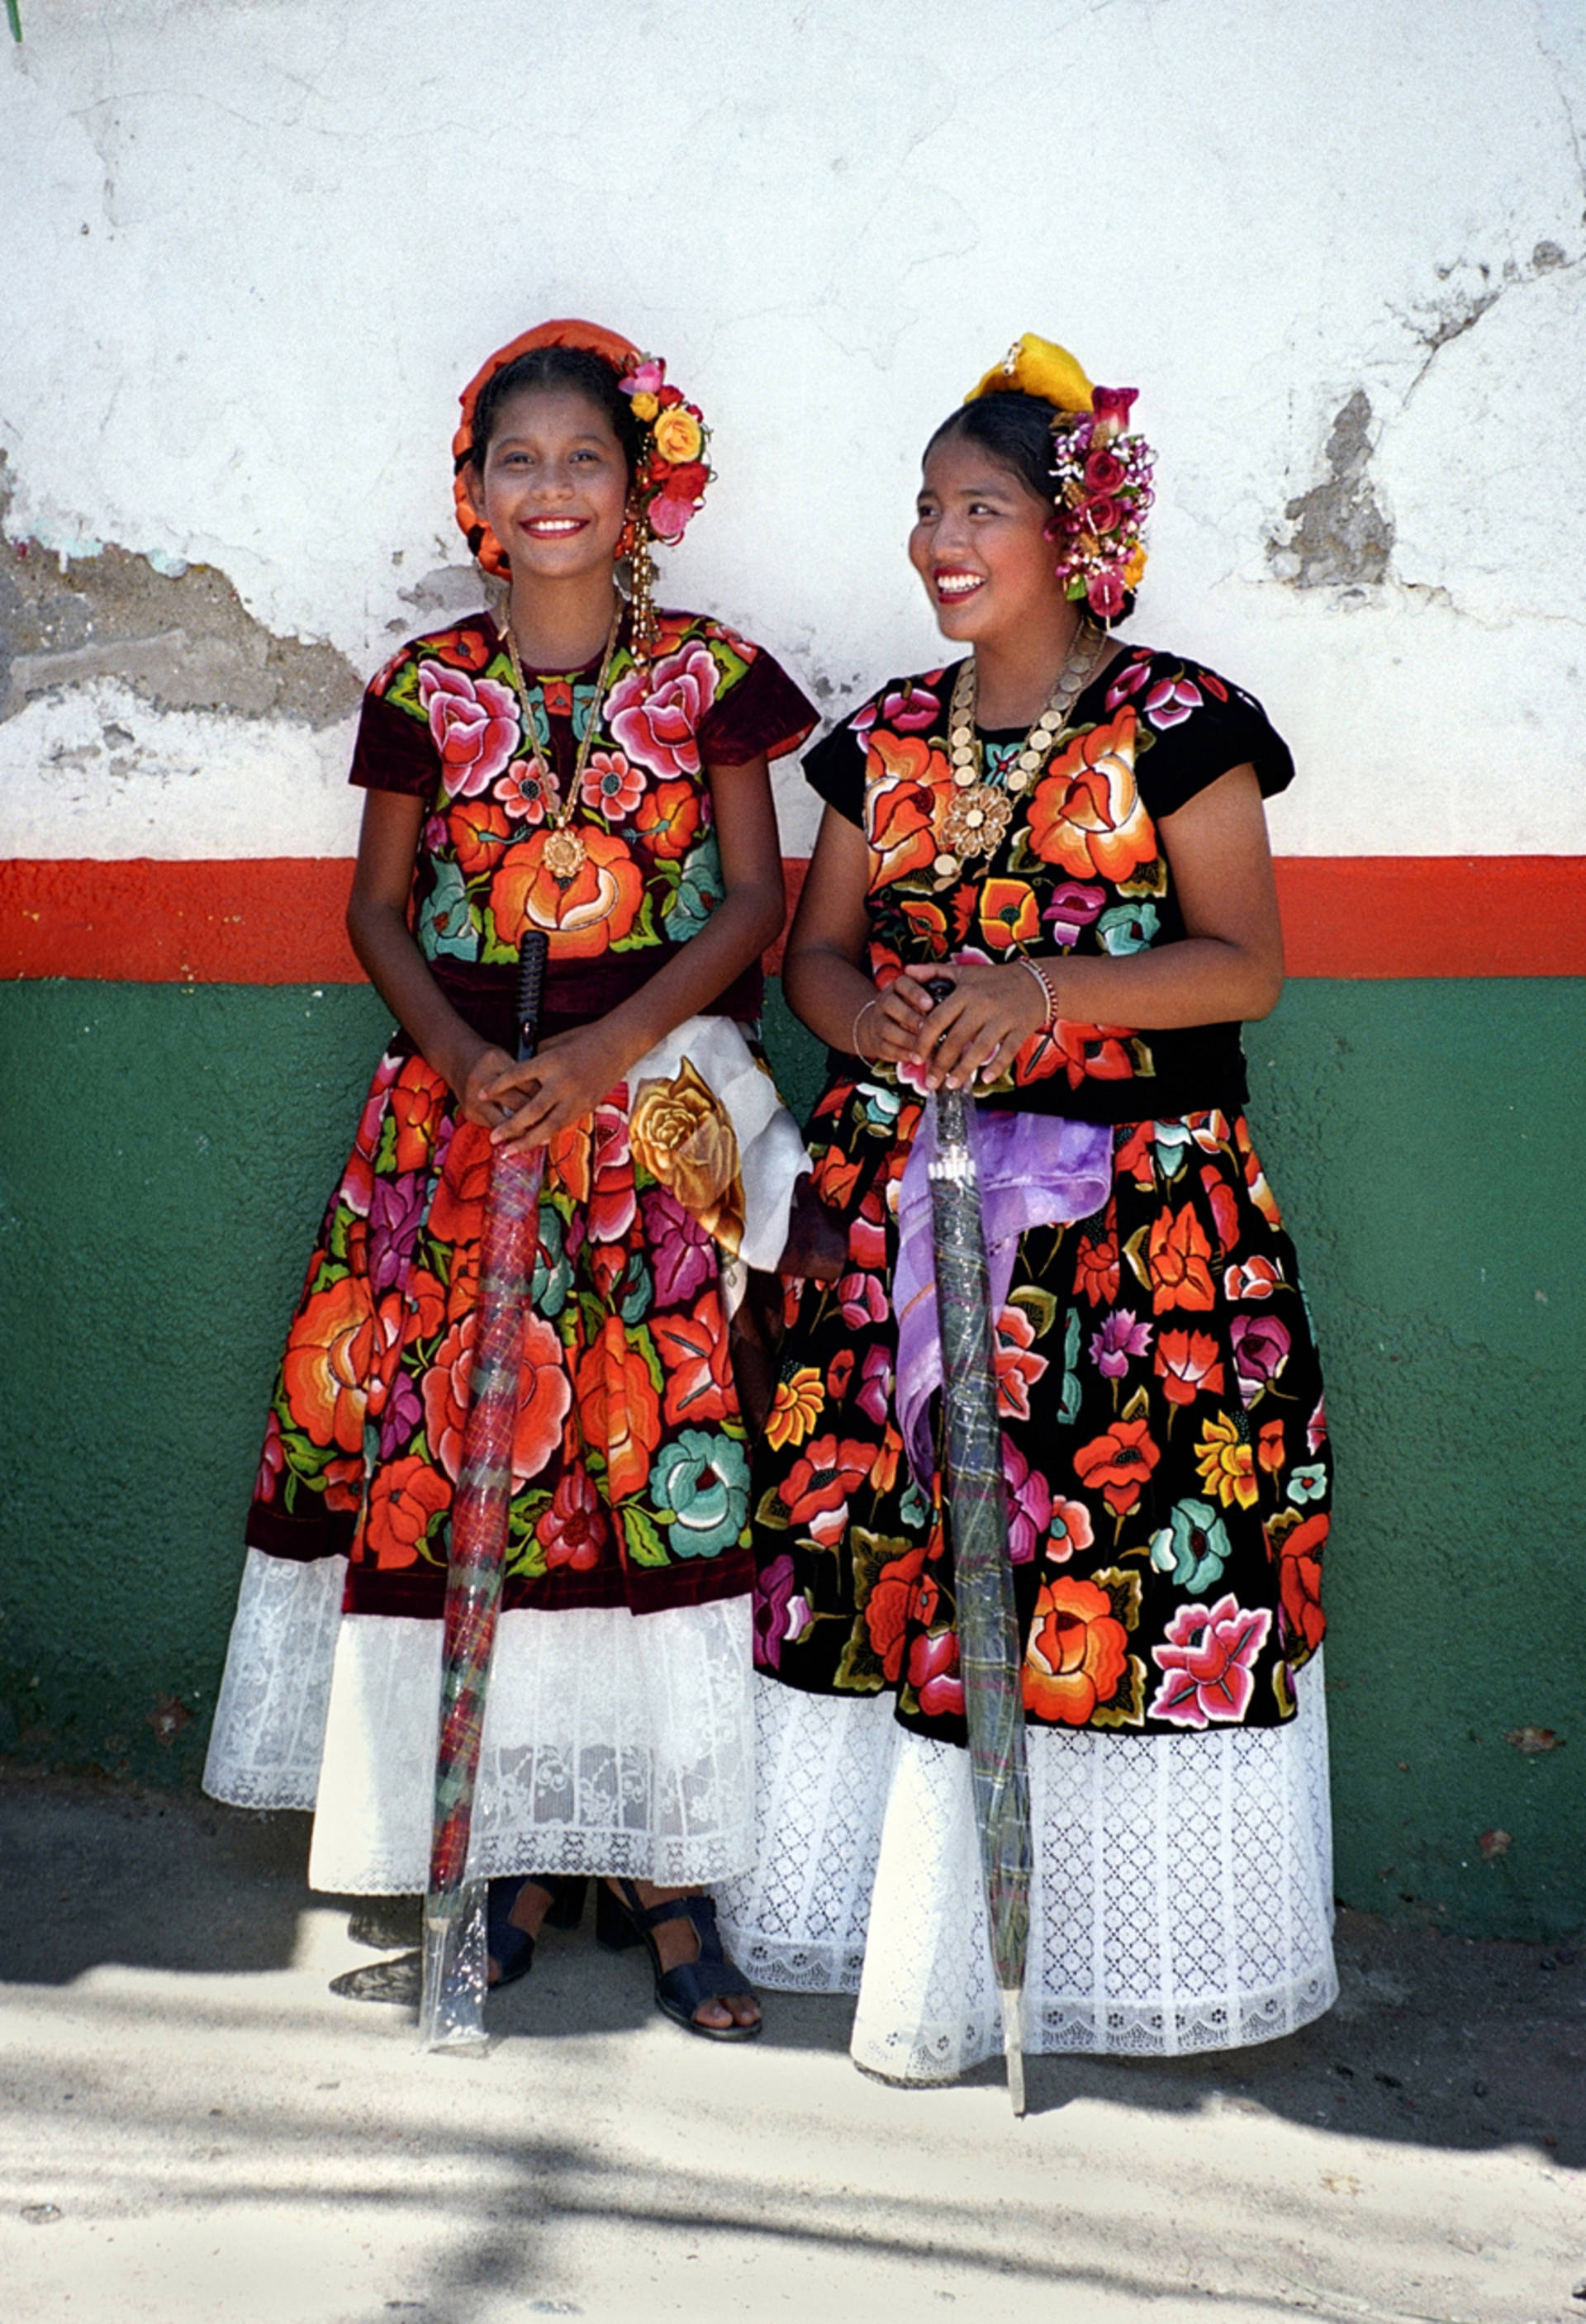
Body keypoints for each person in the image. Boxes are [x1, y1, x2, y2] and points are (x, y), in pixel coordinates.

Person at [720, 334, 1335, 2080]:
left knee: (1125, 1562)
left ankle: (1114, 1969)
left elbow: (1246, 968)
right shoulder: (885, 741)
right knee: (889, 1551)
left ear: (1073, 534)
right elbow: (819, 960)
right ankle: (910, 1940)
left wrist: (1040, 1001)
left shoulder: (1181, 724)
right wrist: (884, 1023)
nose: (937, 541)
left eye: (978, 507)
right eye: (924, 508)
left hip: (1138, 1237)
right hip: (907, 1208)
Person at [203, 319, 819, 2038]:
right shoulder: (422, 692)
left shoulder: (710, 679)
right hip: (458, 1124)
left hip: (649, 1121)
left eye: (586, 462)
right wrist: (467, 1066)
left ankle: (672, 1870)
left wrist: (612, 1050)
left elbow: (757, 907)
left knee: (648, 1470)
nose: (552, 489)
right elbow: (379, 912)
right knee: (481, 1473)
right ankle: (509, 1852)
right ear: (473, 493)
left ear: (643, 491)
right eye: (518, 462)